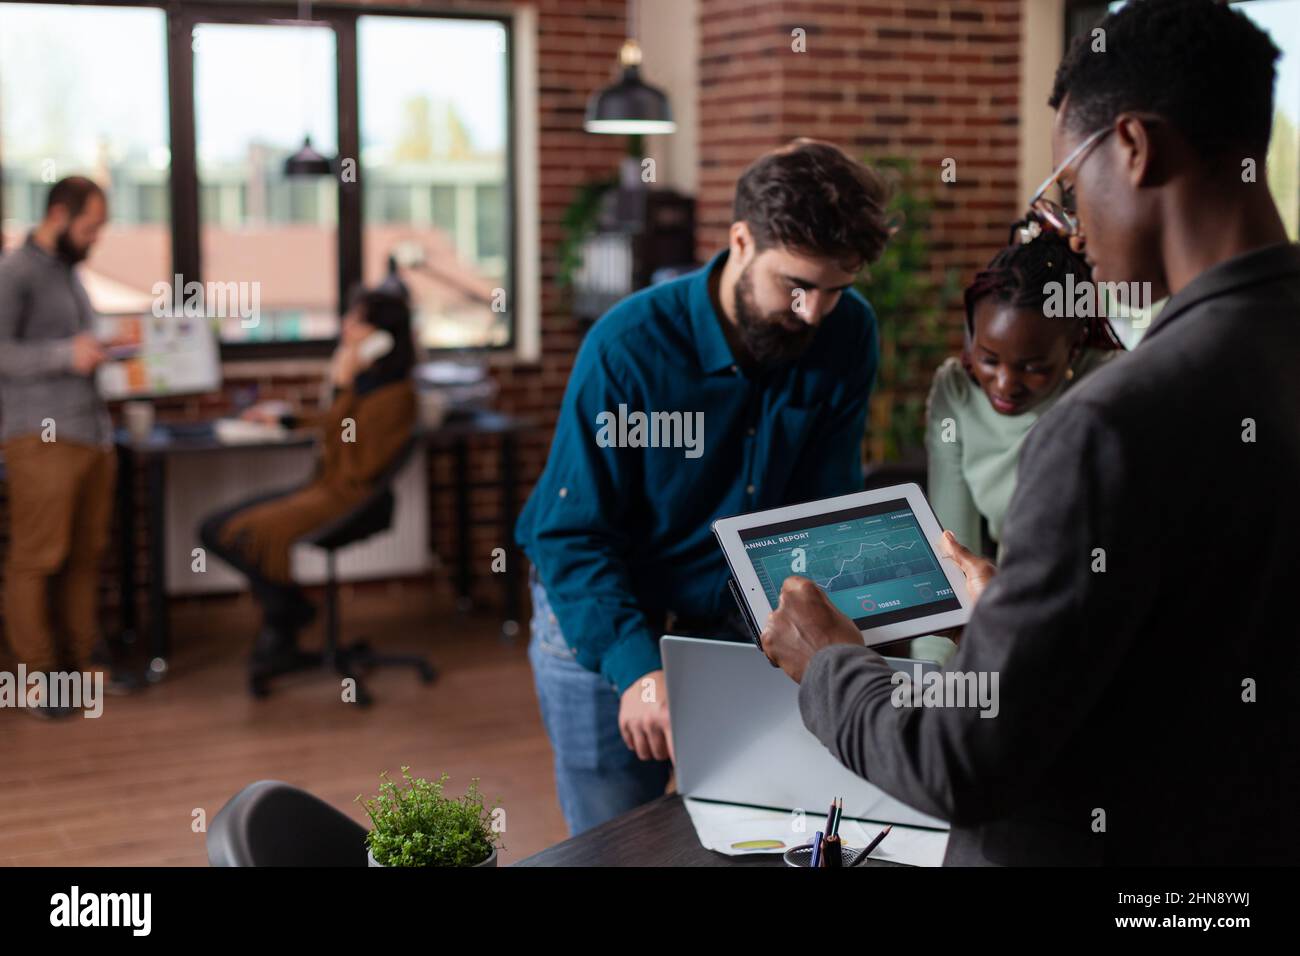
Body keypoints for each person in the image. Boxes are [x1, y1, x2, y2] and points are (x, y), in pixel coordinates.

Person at [761, 0, 1300, 865]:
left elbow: (966, 760)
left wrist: (831, 664)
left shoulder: (1111, 425)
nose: (1073, 229)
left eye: (1068, 187)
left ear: (1133, 146)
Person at [516, 140, 894, 834]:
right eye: (798, 286)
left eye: (836, 290)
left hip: (735, 623)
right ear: (742, 241)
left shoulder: (848, 333)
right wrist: (636, 670)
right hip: (605, 617)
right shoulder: (628, 347)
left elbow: (822, 513)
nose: (815, 312)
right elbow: (572, 534)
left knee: (748, 828)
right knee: (618, 844)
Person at [199, 289, 416, 689]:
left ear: (382, 336)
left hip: (348, 498)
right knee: (215, 527)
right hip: (322, 487)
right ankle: (288, 610)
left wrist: (342, 386)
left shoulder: (396, 395)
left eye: (357, 322)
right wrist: (284, 421)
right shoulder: (366, 384)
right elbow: (336, 424)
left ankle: (285, 617)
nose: (346, 329)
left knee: (249, 532)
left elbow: (357, 461)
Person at [0, 176, 134, 717]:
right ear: (58, 214)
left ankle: (84, 665)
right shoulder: (15, 273)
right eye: (90, 226)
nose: (95, 237)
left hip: (90, 434)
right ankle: (36, 681)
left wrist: (103, 348)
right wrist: (65, 355)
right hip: (40, 437)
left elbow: (72, 346)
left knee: (84, 556)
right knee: (38, 558)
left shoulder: (69, 276)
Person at [926, 224, 1124, 560]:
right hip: (1012, 597)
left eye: (1033, 367)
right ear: (971, 335)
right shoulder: (958, 392)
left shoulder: (1113, 383)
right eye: (988, 359)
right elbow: (957, 556)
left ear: (1074, 347)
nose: (1005, 384)